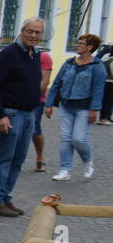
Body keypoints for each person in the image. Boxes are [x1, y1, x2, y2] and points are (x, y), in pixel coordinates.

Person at [0, 17, 45, 217]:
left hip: (29, 114)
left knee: (18, 159)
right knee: (4, 157)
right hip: (10, 113)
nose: (33, 36)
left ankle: (4, 196)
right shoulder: (8, 54)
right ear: (22, 30)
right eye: (30, 31)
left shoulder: (34, 55)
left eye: (37, 33)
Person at [45, 32, 102, 181]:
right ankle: (65, 170)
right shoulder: (69, 63)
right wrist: (49, 103)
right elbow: (56, 83)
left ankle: (88, 161)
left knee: (78, 139)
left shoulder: (97, 66)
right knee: (65, 138)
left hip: (84, 107)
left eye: (81, 43)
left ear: (90, 47)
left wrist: (94, 110)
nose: (77, 45)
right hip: (66, 105)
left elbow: (98, 89)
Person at [31, 48, 53, 171]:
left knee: (35, 129)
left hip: (36, 99)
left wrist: (33, 96)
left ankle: (40, 156)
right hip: (15, 98)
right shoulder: (14, 55)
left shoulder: (43, 57)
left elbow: (45, 80)